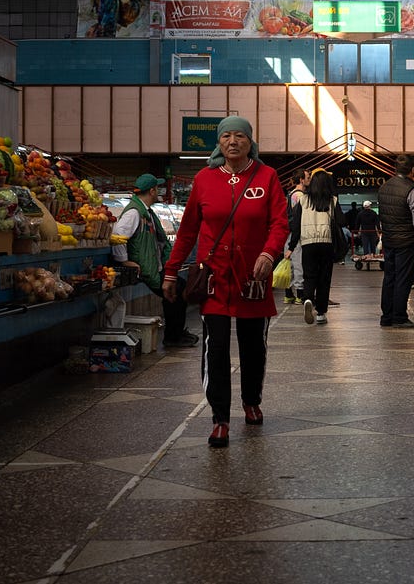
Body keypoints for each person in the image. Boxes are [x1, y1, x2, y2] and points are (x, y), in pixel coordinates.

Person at [162, 116, 288, 448]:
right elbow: (188, 230)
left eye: (240, 136)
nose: (233, 141)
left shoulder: (267, 177)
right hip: (214, 279)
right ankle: (220, 418)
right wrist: (171, 271)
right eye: (226, 136)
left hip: (252, 279)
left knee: (253, 347)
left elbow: (279, 223)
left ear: (251, 142)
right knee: (215, 348)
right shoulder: (204, 179)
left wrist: (269, 253)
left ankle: (251, 399)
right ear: (219, 143)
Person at [112, 174, 196, 347]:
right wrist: (124, 261)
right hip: (146, 269)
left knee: (178, 288)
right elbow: (118, 237)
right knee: (175, 291)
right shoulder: (134, 213)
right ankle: (173, 336)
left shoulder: (145, 212)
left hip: (154, 265)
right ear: (152, 191)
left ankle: (176, 333)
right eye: (157, 188)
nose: (158, 191)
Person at [287, 169, 345, 325]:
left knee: (309, 275)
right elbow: (341, 221)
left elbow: (296, 226)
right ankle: (321, 313)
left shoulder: (303, 201)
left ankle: (307, 299)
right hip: (326, 243)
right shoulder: (332, 201)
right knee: (324, 278)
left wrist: (291, 247)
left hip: (307, 244)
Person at [377, 156, 414, 328]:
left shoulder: (384, 187)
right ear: (412, 170)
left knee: (389, 277)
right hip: (406, 241)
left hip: (389, 240)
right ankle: (399, 317)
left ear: (395, 168)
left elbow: (382, 215)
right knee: (403, 279)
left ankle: (386, 316)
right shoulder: (413, 190)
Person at [283, 169, 311, 304]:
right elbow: (299, 218)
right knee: (298, 263)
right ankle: (300, 294)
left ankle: (288, 294)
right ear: (301, 179)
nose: (309, 179)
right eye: (308, 177)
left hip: (290, 232)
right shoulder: (298, 196)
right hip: (296, 233)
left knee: (291, 264)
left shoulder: (291, 194)